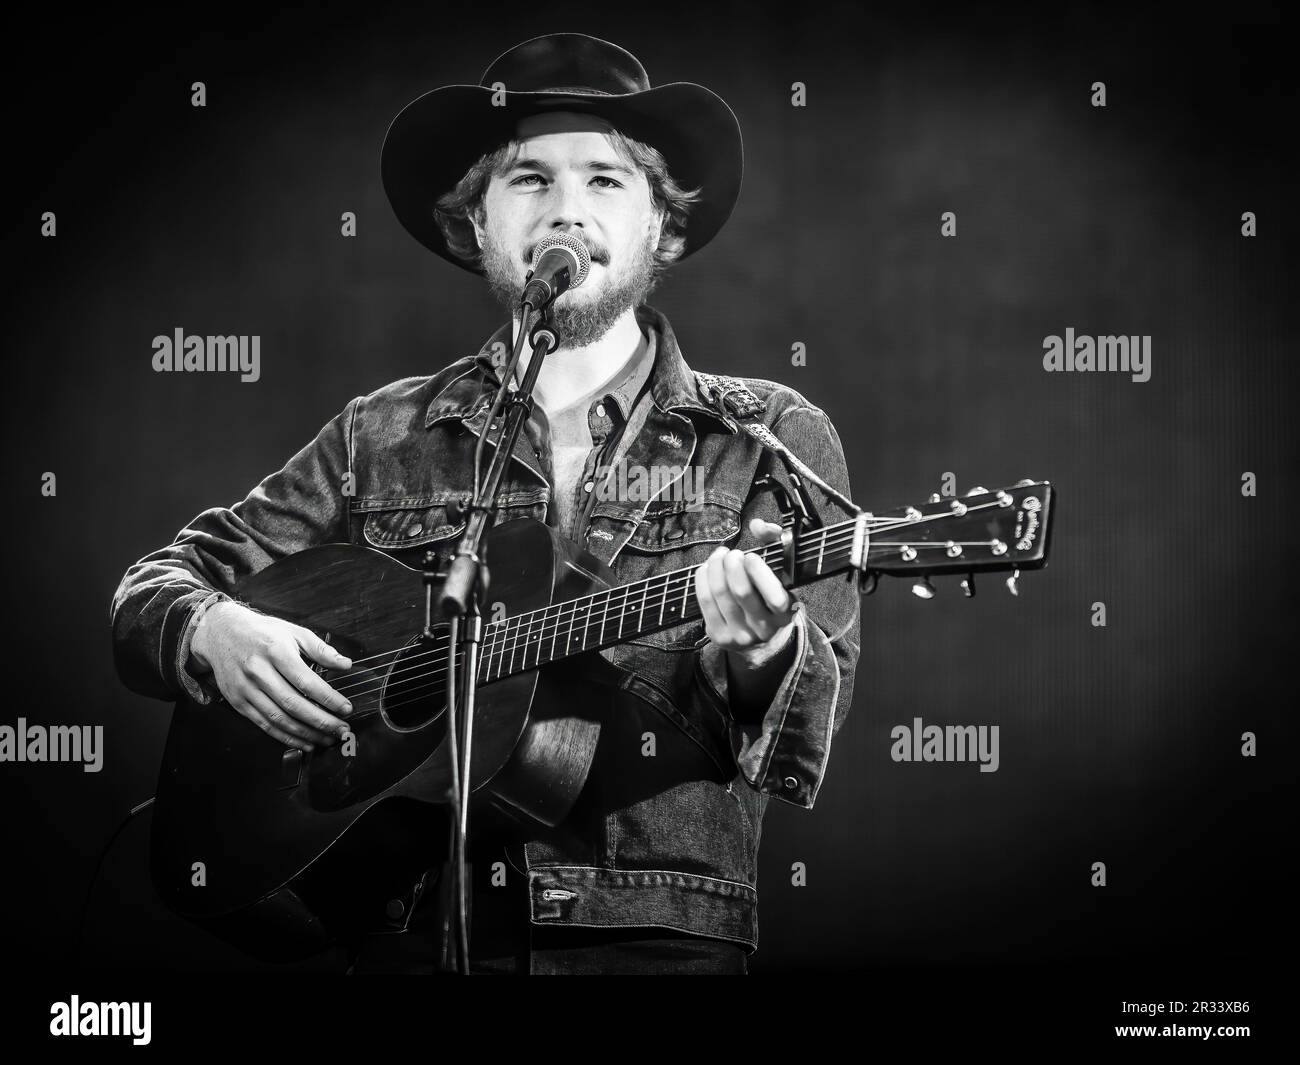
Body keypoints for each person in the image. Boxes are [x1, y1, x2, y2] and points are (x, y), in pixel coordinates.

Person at [111, 32, 861, 974]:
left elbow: (796, 735)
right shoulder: (379, 433)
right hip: (403, 933)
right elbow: (155, 587)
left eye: (605, 180)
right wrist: (214, 630)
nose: (566, 212)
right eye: (529, 179)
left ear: (658, 224)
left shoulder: (769, 437)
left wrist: (762, 650)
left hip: (650, 941)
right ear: (476, 222)